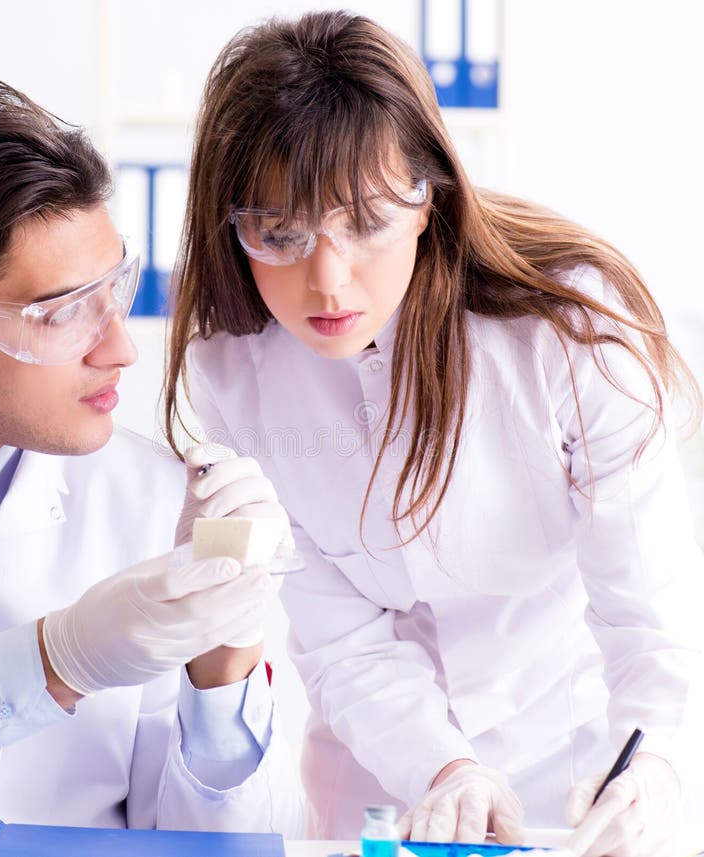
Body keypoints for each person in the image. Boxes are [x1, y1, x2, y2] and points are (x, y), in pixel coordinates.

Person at [164, 11, 704, 856]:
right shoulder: (235, 374)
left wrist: (658, 763)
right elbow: (342, 640)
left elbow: (648, 620)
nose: (327, 278)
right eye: (280, 233)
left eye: (368, 221)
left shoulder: (567, 332)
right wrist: (441, 767)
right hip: (381, 784)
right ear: (230, 228)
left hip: (578, 764)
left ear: (429, 198)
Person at [0, 72, 302, 837]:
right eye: (62, 314)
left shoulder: (153, 503)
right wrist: (59, 659)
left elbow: (227, 848)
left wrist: (222, 669)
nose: (120, 348)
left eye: (114, 291)